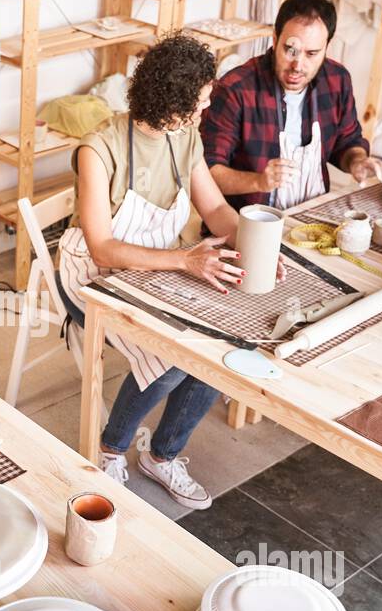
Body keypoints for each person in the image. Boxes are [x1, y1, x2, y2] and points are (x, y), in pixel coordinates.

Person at [56, 34, 282, 511]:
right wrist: (185, 260)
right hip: (94, 274)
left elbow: (217, 209)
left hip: (157, 264)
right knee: (170, 354)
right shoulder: (98, 149)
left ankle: (163, 454)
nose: (205, 112)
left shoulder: (184, 137)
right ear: (171, 102)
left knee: (224, 344)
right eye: (199, 104)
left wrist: (254, 246)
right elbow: (102, 247)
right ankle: (111, 448)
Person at [202, 0, 382, 210]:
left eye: (312, 53)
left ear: (326, 47)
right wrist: (259, 182)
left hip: (312, 216)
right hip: (248, 222)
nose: (298, 65)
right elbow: (208, 173)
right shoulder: (236, 89)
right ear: (275, 39)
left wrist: (357, 162)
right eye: (290, 51)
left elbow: (347, 142)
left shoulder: (337, 80)